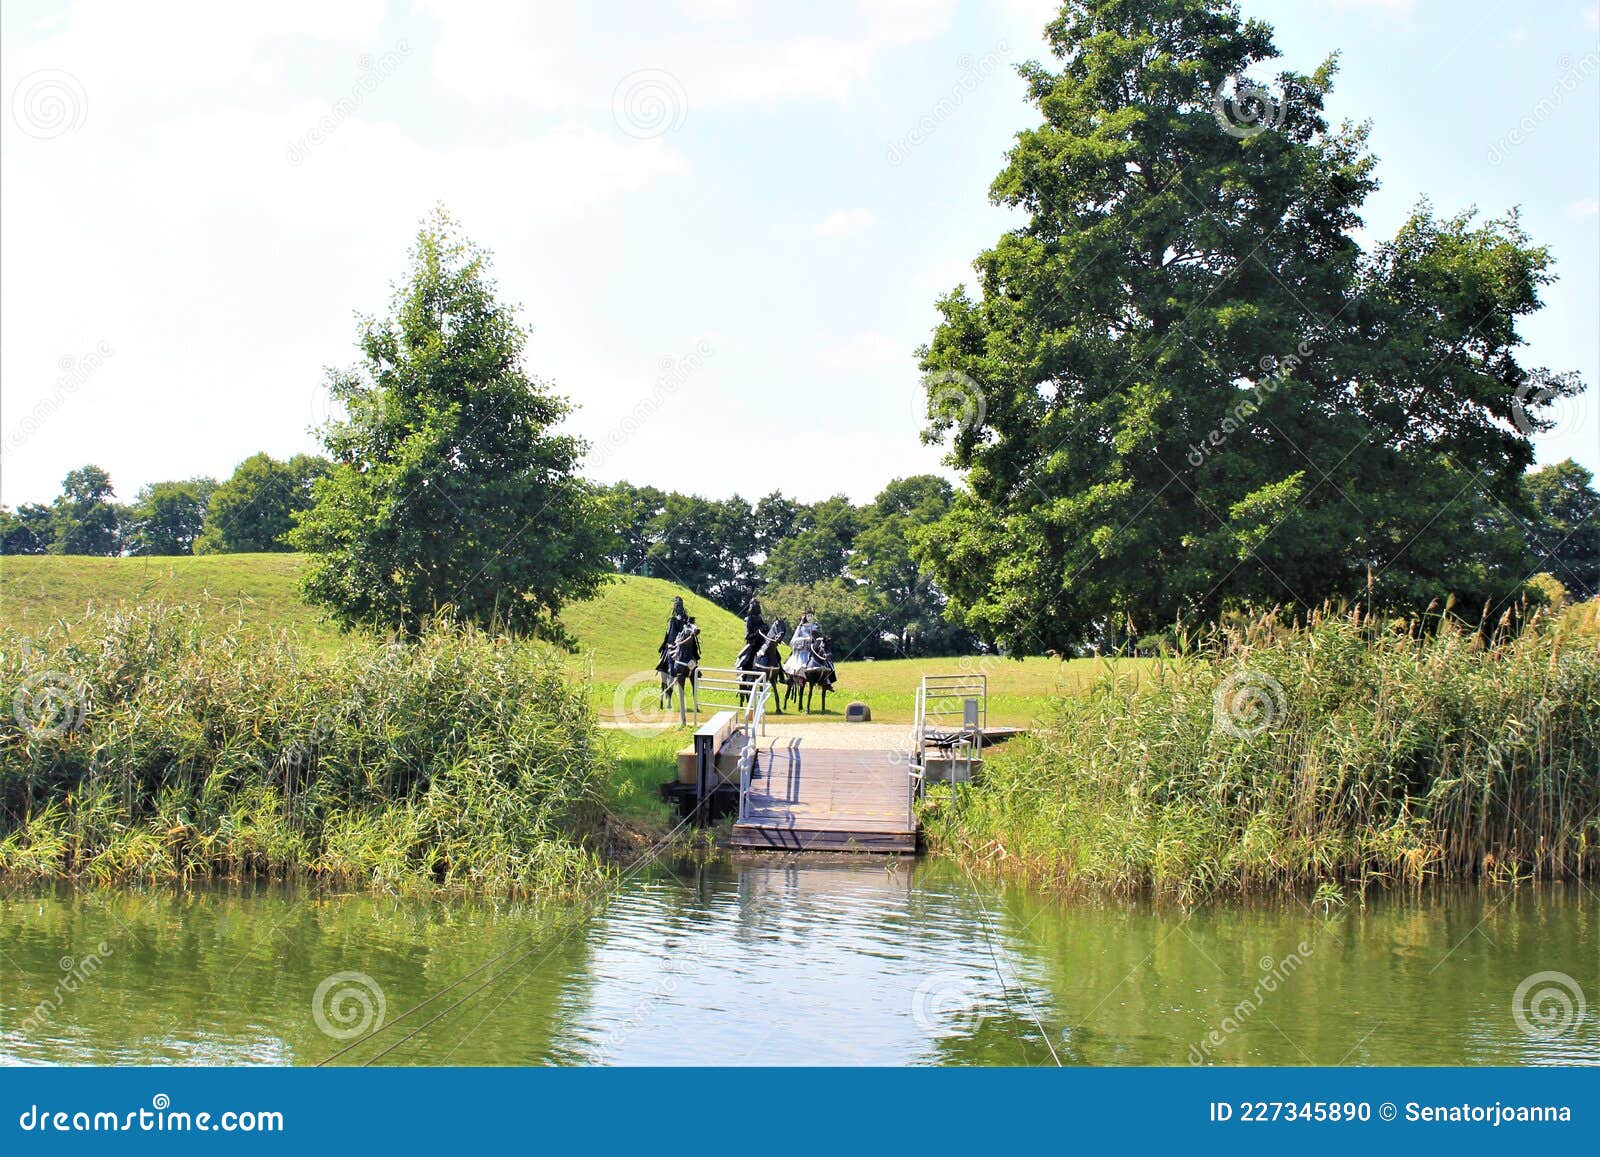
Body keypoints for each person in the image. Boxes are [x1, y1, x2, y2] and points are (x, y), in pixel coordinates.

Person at [656, 596, 689, 675]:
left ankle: (694, 669)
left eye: (680, 605)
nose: (679, 607)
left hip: (685, 641)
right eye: (677, 605)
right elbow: (671, 633)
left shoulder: (686, 618)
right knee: (669, 652)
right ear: (675, 607)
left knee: (692, 647)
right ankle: (667, 668)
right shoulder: (672, 619)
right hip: (673, 642)